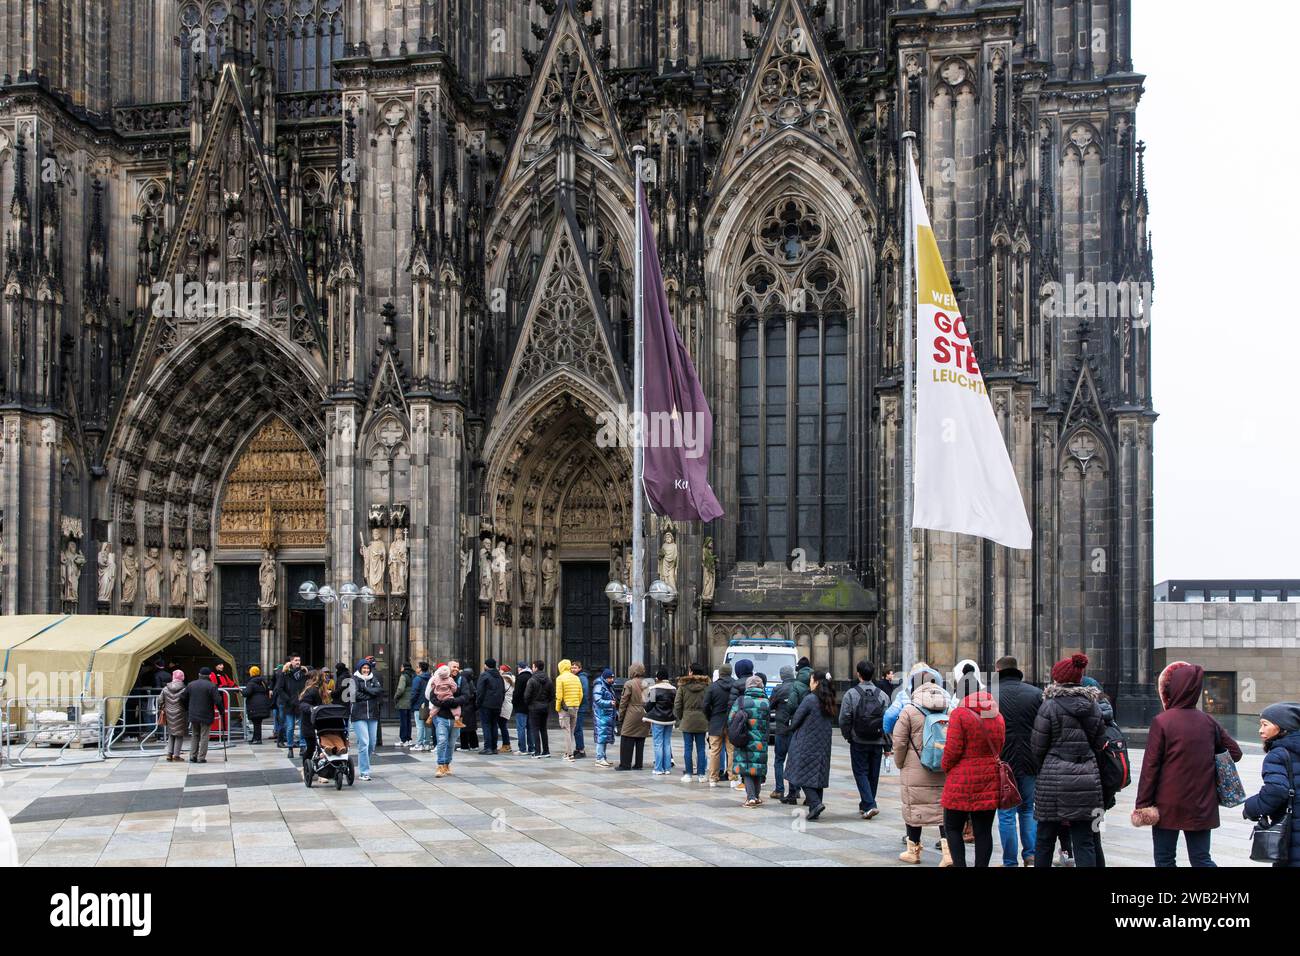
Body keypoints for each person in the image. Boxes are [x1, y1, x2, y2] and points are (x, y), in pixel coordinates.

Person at [1133, 660, 1242, 867]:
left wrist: (1142, 805)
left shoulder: (1162, 721)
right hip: (1202, 803)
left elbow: (1151, 768)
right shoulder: (1208, 721)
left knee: (1165, 859)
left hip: (1167, 803)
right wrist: (1209, 748)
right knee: (1201, 859)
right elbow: (1235, 753)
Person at [1029, 653, 1107, 868]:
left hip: (1052, 780)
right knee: (1084, 840)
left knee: (1045, 839)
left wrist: (1046, 766)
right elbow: (1099, 743)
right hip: (1086, 778)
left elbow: (1037, 746)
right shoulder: (1093, 706)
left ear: (1058, 679)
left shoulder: (1049, 706)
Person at [891, 663, 953, 865]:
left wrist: (900, 763)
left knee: (913, 809)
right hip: (942, 766)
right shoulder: (949, 708)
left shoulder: (909, 710)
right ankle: (948, 853)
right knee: (942, 810)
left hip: (915, 767)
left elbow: (899, 742)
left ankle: (914, 851)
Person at [940, 680, 1006, 867]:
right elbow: (1000, 745)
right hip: (989, 778)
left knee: (952, 827)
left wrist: (946, 766)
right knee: (983, 831)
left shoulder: (960, 714)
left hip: (961, 779)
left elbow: (952, 750)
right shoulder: (997, 715)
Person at [994, 655, 1043, 867]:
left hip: (1002, 762)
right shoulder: (1036, 694)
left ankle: (1009, 861)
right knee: (1028, 809)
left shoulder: (989, 695)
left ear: (998, 671)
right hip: (1031, 760)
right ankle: (1031, 856)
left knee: (1006, 814)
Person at [1243, 701, 1300, 868]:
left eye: (1265, 724)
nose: (1260, 730)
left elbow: (1276, 790)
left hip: (1292, 839)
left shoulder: (1277, 754)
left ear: (1283, 727)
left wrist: (1251, 807)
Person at [839, 660, 891, 819]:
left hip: (859, 740)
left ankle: (869, 804)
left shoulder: (851, 694)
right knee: (873, 774)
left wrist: (848, 735)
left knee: (860, 772)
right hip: (877, 740)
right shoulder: (882, 695)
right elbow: (887, 721)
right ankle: (866, 803)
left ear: (858, 674)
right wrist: (888, 745)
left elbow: (843, 718)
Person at [785, 670, 835, 819]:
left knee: (801, 773)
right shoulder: (829, 699)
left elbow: (797, 719)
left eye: (811, 680)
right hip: (823, 743)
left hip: (806, 742)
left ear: (817, 682)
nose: (810, 683)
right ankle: (815, 807)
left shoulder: (810, 699)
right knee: (818, 774)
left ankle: (815, 803)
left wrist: (790, 726)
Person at [729, 674, 771, 807]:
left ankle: (751, 797)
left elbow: (731, 719)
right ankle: (756, 796)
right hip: (761, 741)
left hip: (745, 739)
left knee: (747, 769)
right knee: (757, 768)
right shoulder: (766, 702)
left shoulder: (741, 701)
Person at [426, 664, 466, 776]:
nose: (456, 669)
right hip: (441, 716)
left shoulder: (462, 680)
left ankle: (447, 764)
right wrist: (441, 703)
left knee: (452, 743)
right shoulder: (437, 679)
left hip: (456, 718)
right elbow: (431, 695)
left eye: (458, 667)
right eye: (453, 666)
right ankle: (440, 765)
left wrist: (453, 702)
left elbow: (466, 695)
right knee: (442, 740)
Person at [674, 663, 710, 782]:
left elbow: (678, 705)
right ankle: (701, 774)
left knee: (688, 748)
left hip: (687, 720)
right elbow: (710, 704)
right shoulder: (706, 686)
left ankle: (688, 774)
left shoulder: (683, 686)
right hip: (702, 720)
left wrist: (681, 717)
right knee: (701, 748)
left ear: (691, 672)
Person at [703, 663, 737, 787]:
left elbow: (705, 705)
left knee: (714, 751)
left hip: (716, 721)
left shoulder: (713, 687)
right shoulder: (735, 685)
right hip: (732, 722)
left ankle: (713, 778)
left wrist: (710, 717)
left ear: (721, 673)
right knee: (731, 751)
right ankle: (733, 778)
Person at [349, 660, 383, 781]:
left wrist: (366, 690)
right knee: (364, 742)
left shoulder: (373, 678)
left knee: (372, 743)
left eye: (367, 668)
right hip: (358, 715)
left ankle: (364, 764)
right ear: (359, 668)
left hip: (373, 714)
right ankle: (364, 771)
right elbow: (355, 695)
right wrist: (370, 695)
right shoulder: (353, 679)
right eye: (364, 668)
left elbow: (378, 691)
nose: (366, 670)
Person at [180, 667, 221, 764]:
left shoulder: (191, 685)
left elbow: (182, 697)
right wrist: (222, 711)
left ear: (199, 674)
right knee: (204, 736)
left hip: (193, 713)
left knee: (195, 735)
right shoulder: (211, 686)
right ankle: (201, 757)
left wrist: (187, 708)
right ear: (209, 675)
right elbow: (218, 700)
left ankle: (193, 756)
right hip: (206, 714)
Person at [644, 667, 677, 775]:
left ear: (658, 677)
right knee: (667, 743)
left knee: (658, 744)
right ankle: (667, 768)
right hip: (669, 719)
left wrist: (646, 709)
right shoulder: (673, 689)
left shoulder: (654, 689)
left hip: (657, 719)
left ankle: (658, 768)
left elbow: (649, 705)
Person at [616, 663, 650, 771]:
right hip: (644, 712)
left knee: (626, 737)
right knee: (640, 738)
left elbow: (624, 701)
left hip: (632, 712)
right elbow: (651, 700)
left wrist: (620, 716)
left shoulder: (629, 683)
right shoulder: (648, 683)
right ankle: (638, 764)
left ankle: (625, 764)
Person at [298, 669, 331, 765]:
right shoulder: (312, 690)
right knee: (312, 747)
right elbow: (303, 704)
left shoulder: (320, 690)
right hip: (310, 724)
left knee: (318, 747)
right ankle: (307, 768)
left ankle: (320, 768)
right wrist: (313, 709)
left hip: (319, 723)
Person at [277, 656, 308, 756]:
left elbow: (307, 687)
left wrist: (305, 698)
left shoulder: (304, 674)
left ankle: (302, 746)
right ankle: (290, 748)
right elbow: (279, 689)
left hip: (301, 704)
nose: (298, 662)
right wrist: (288, 699)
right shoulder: (285, 674)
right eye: (295, 660)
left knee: (302, 727)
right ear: (291, 662)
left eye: (299, 660)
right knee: (290, 727)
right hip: (289, 705)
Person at [555, 659, 584, 760]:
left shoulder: (560, 678)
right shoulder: (576, 678)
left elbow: (559, 696)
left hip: (565, 708)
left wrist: (557, 707)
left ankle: (569, 754)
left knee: (566, 730)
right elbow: (581, 694)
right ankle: (568, 752)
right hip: (575, 707)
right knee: (571, 730)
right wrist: (577, 705)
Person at [476, 658, 506, 754]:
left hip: (486, 704)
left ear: (486, 665)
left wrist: (478, 703)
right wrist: (500, 702)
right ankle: (493, 747)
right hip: (497, 705)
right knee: (494, 725)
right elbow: (503, 691)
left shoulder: (484, 675)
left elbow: (480, 691)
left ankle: (488, 747)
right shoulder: (499, 676)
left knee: (486, 725)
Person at [157, 669, 188, 761]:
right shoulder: (184, 689)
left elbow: (160, 700)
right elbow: (186, 701)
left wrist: (164, 707)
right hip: (180, 713)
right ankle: (176, 755)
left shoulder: (166, 688)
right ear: (182, 677)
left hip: (169, 713)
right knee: (179, 735)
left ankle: (169, 754)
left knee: (171, 734)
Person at [525, 659, 553, 758]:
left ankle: (537, 752)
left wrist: (529, 704)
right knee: (543, 729)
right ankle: (546, 751)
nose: (532, 669)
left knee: (535, 729)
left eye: (533, 667)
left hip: (534, 707)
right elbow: (551, 695)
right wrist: (545, 702)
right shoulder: (548, 679)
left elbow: (527, 695)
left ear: (536, 668)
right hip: (545, 707)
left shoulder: (532, 680)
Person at [592, 668, 618, 767]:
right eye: (610, 678)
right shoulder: (599, 685)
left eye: (612, 677)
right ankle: (599, 759)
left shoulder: (608, 685)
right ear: (605, 677)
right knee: (601, 737)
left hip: (607, 715)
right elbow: (597, 700)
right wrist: (609, 703)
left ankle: (603, 757)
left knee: (604, 737)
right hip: (601, 715)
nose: (612, 680)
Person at [243, 665, 273, 744]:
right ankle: (255, 738)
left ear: (251, 673)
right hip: (263, 704)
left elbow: (246, 693)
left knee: (256, 723)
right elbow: (267, 690)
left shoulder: (251, 682)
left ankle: (257, 739)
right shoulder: (263, 681)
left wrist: (242, 691)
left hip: (254, 705)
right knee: (258, 722)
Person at [410, 662, 433, 752]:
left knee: (420, 726)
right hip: (429, 705)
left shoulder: (417, 679)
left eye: (417, 667)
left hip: (419, 705)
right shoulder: (431, 678)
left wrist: (411, 703)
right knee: (428, 725)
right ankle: (427, 744)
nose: (416, 669)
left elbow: (414, 693)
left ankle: (419, 744)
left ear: (420, 669)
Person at [513, 662, 533, 755]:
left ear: (520, 668)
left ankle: (522, 749)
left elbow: (517, 693)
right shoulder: (532, 676)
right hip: (531, 706)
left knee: (521, 728)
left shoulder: (520, 677)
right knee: (530, 728)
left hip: (521, 706)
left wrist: (514, 703)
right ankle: (531, 748)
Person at [393, 661, 415, 748]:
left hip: (403, 702)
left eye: (401, 666)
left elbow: (400, 689)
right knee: (408, 722)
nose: (400, 668)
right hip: (410, 702)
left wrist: (395, 697)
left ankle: (403, 739)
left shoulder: (403, 676)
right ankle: (408, 739)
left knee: (403, 722)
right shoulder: (413, 675)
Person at [458, 665, 479, 751]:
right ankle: (474, 745)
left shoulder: (465, 682)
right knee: (471, 728)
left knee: (463, 728)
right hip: (471, 708)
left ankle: (465, 746)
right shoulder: (471, 682)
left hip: (465, 708)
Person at [573, 661, 591, 758]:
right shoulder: (577, 677)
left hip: (580, 707)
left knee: (578, 728)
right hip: (578, 706)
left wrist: (577, 703)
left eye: (575, 667)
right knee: (576, 728)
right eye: (572, 667)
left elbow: (583, 693)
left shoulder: (582, 678)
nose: (573, 669)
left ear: (580, 668)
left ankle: (581, 750)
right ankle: (578, 748)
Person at [498, 664, 515, 754]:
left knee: (503, 726)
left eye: (500, 669)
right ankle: (506, 745)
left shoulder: (504, 679)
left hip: (504, 704)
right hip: (508, 704)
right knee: (503, 725)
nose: (499, 671)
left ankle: (506, 745)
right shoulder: (512, 678)